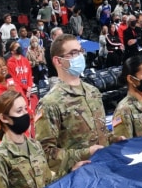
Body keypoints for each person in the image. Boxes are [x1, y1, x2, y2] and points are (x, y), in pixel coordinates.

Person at [36, 34, 108, 178]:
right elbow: (45, 152)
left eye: (80, 51)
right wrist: (82, 155)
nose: (80, 56)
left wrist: (114, 139)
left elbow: (99, 132)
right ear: (58, 61)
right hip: (77, 177)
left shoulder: (92, 92)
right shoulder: (50, 103)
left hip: (105, 169)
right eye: (73, 53)